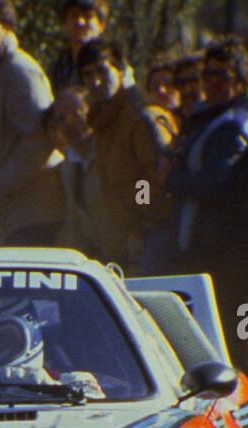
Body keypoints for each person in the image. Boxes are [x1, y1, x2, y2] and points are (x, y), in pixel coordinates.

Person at [165, 36, 248, 388]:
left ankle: (242, 417)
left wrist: (171, 178)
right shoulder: (208, 119)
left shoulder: (235, 124)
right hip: (202, 247)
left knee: (226, 342)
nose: (212, 82)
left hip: (227, 252)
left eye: (223, 76)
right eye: (207, 74)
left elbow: (214, 183)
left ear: (240, 83)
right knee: (207, 341)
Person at [0, 0, 61, 246]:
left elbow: (41, 138)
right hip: (10, 214)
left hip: (35, 212)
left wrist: (1, 187)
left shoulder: (20, 71)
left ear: (8, 26)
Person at [79, 39, 175, 271]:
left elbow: (154, 178)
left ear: (120, 70)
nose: (96, 81)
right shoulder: (104, 118)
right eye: (88, 75)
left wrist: (140, 220)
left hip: (147, 237)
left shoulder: (139, 116)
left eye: (102, 70)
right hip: (119, 240)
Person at [44, 86, 102, 257]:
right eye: (61, 118)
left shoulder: (110, 153)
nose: (69, 124)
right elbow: (73, 226)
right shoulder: (65, 168)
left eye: (76, 114)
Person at [48, 0, 107, 94]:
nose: (80, 22)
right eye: (74, 15)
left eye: (88, 16)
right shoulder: (58, 69)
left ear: (101, 25)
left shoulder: (111, 64)